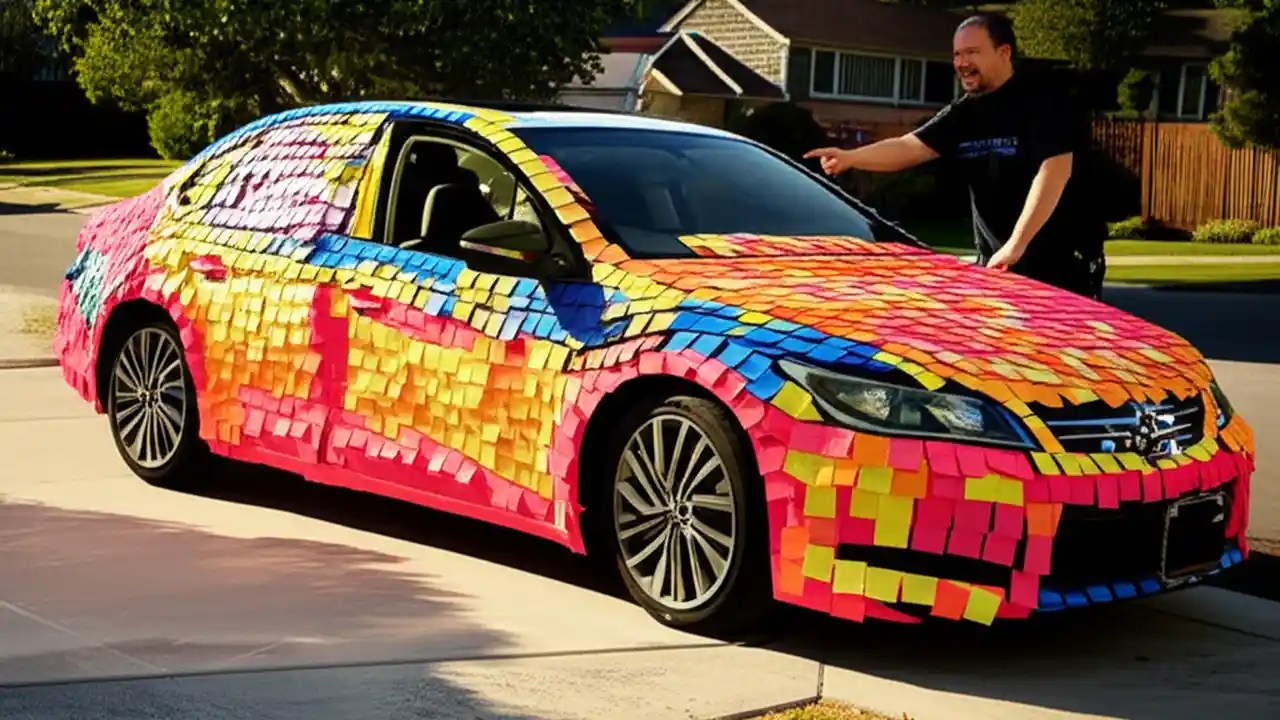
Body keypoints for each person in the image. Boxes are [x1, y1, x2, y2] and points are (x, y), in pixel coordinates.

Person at [804, 13, 1107, 299]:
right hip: (998, 270)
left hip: (1060, 272)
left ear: (1004, 52)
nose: (962, 63)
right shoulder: (964, 114)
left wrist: (1017, 244)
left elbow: (1054, 171)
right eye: (957, 55)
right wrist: (851, 157)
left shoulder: (1044, 102)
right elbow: (910, 147)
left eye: (972, 52)